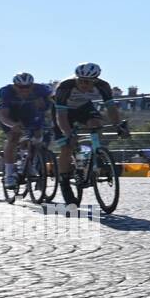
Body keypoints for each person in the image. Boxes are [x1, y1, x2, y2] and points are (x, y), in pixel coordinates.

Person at [52, 64, 129, 199]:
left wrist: (118, 125)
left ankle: (93, 153)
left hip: (83, 107)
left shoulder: (103, 86)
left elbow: (111, 108)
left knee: (97, 123)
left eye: (88, 82)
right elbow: (61, 117)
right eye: (80, 80)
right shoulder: (65, 87)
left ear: (95, 81)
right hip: (63, 111)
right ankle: (64, 182)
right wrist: (68, 134)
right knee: (67, 147)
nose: (83, 84)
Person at [0, 73, 53, 188]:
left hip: (29, 114)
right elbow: (3, 116)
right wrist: (12, 125)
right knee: (14, 137)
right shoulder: (6, 91)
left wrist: (43, 105)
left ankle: (28, 163)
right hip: (11, 115)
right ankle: (9, 174)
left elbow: (48, 106)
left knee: (37, 137)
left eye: (27, 87)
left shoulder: (40, 89)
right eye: (21, 87)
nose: (24, 90)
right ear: (15, 86)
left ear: (32, 85)